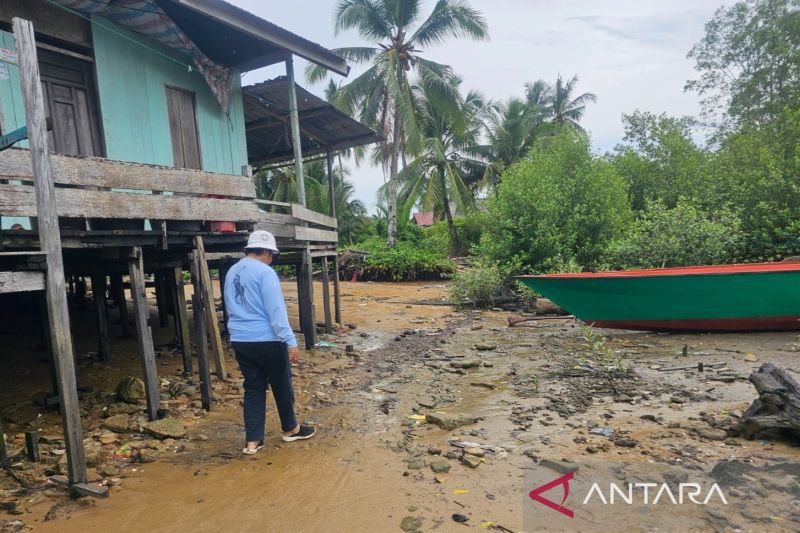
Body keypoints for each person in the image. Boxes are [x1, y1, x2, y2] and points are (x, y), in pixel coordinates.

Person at [224, 230, 316, 454]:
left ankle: (252, 442)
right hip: (268, 339)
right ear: (265, 251)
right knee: (281, 384)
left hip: (241, 339)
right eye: (271, 254)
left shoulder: (232, 271)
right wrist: (290, 341)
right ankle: (291, 429)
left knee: (253, 387)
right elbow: (276, 311)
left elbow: (230, 306)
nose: (272, 258)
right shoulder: (265, 273)